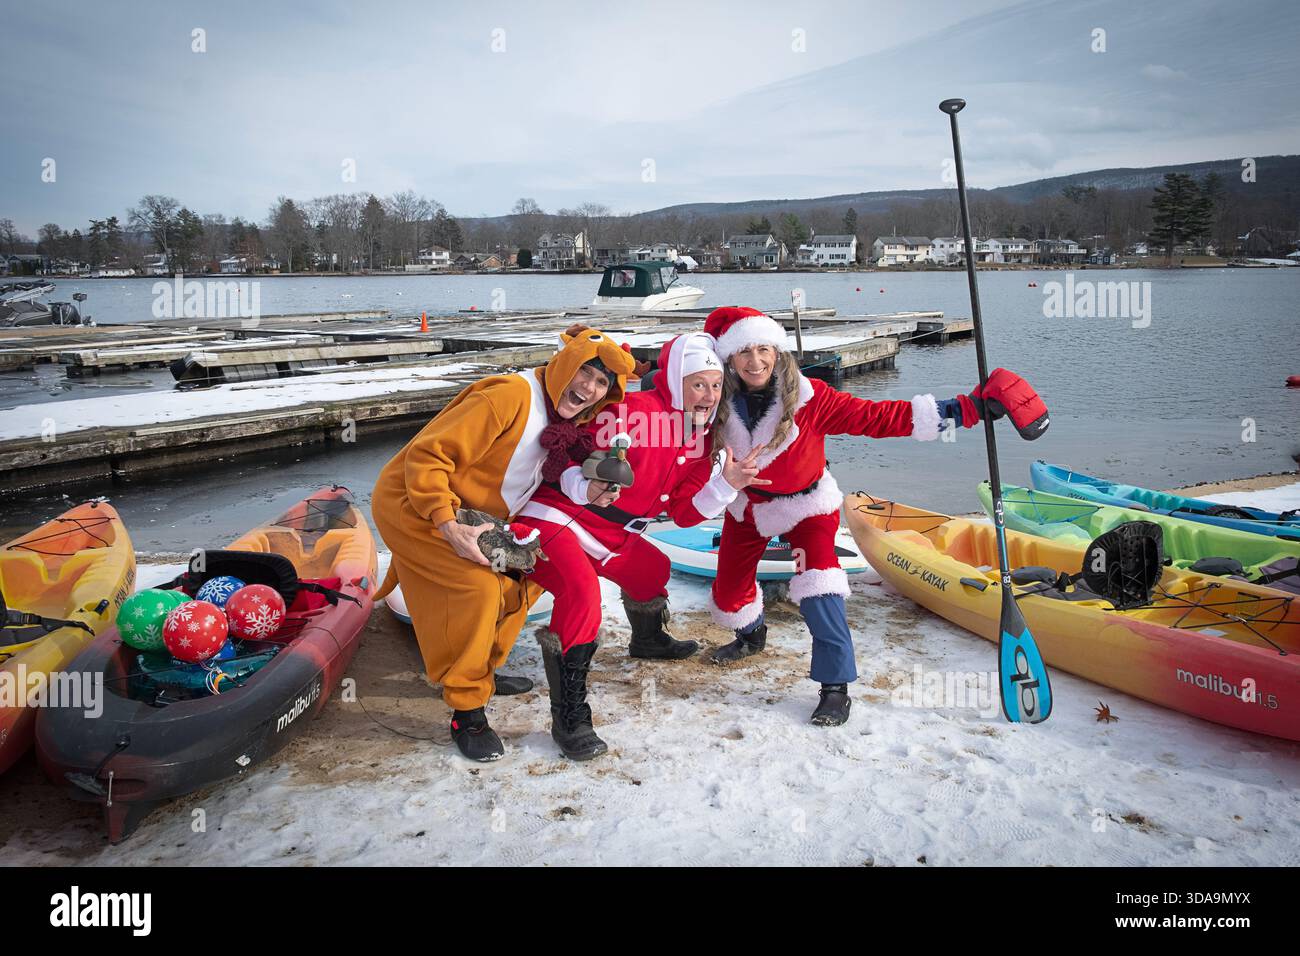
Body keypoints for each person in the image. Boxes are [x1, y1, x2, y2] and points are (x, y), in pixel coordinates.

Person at [702, 306, 1048, 726]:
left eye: (763, 349)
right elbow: (671, 425)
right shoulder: (716, 404)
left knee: (818, 587)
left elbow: (879, 418)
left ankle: (835, 687)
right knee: (728, 594)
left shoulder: (811, 398)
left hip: (806, 508)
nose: (755, 362)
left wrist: (967, 409)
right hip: (748, 507)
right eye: (744, 353)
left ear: (776, 350)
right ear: (729, 360)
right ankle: (751, 634)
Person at [370, 326, 635, 761]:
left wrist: (589, 491)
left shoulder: (565, 420)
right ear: (564, 364)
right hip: (415, 502)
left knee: (522, 581)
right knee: (476, 589)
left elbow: (538, 474)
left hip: (476, 514)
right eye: (584, 371)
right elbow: (428, 456)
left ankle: (483, 671)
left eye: (601, 382)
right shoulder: (509, 396)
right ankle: (466, 708)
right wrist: (445, 524)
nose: (588, 387)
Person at [513, 332, 768, 760]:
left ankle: (647, 640)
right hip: (557, 518)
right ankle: (570, 718)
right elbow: (565, 443)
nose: (708, 394)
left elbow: (686, 515)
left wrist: (727, 483)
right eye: (697, 384)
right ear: (674, 381)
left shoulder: (705, 441)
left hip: (616, 534)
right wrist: (585, 480)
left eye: (716, 385)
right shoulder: (629, 410)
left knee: (652, 569)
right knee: (582, 597)